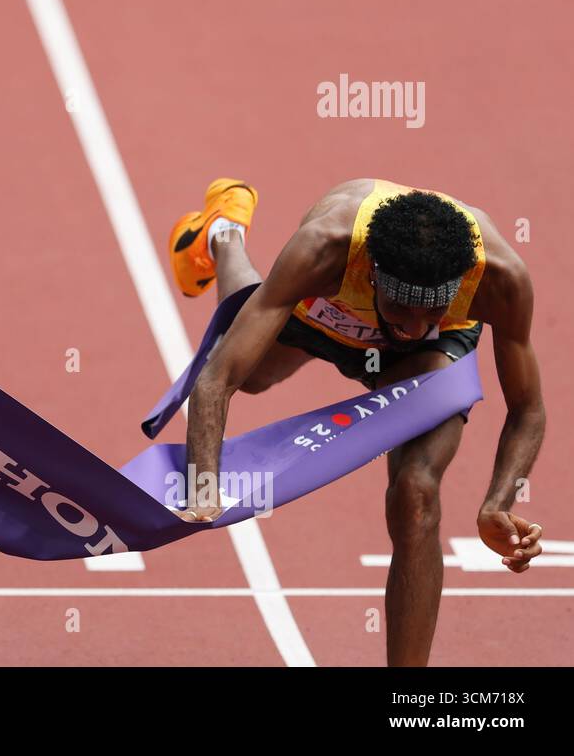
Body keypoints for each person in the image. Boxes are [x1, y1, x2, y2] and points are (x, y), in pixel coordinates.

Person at [169, 177, 545, 666]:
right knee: (256, 372)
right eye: (402, 306)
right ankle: (223, 231)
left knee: (415, 494)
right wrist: (203, 486)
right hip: (325, 314)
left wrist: (498, 501)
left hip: (427, 356)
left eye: (433, 306)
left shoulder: (500, 279)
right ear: (372, 273)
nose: (413, 322)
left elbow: (527, 409)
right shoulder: (324, 249)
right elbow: (219, 377)